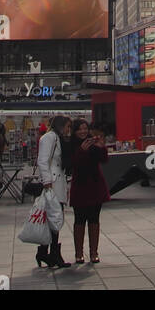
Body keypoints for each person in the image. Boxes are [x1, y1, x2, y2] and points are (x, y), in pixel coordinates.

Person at [68, 119, 109, 264]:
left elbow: (103, 159)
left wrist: (101, 147)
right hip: (80, 186)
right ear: (75, 131)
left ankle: (94, 252)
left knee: (94, 219)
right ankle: (79, 253)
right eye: (80, 129)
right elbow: (71, 164)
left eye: (85, 128)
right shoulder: (70, 143)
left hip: (95, 185)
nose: (83, 131)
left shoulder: (92, 142)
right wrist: (81, 151)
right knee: (79, 219)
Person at [35, 115, 72, 269]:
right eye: (67, 126)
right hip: (52, 182)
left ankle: (46, 252)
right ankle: (51, 253)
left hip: (57, 180)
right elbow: (42, 160)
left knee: (54, 218)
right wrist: (47, 181)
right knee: (54, 217)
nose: (68, 130)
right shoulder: (49, 138)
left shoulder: (56, 137)